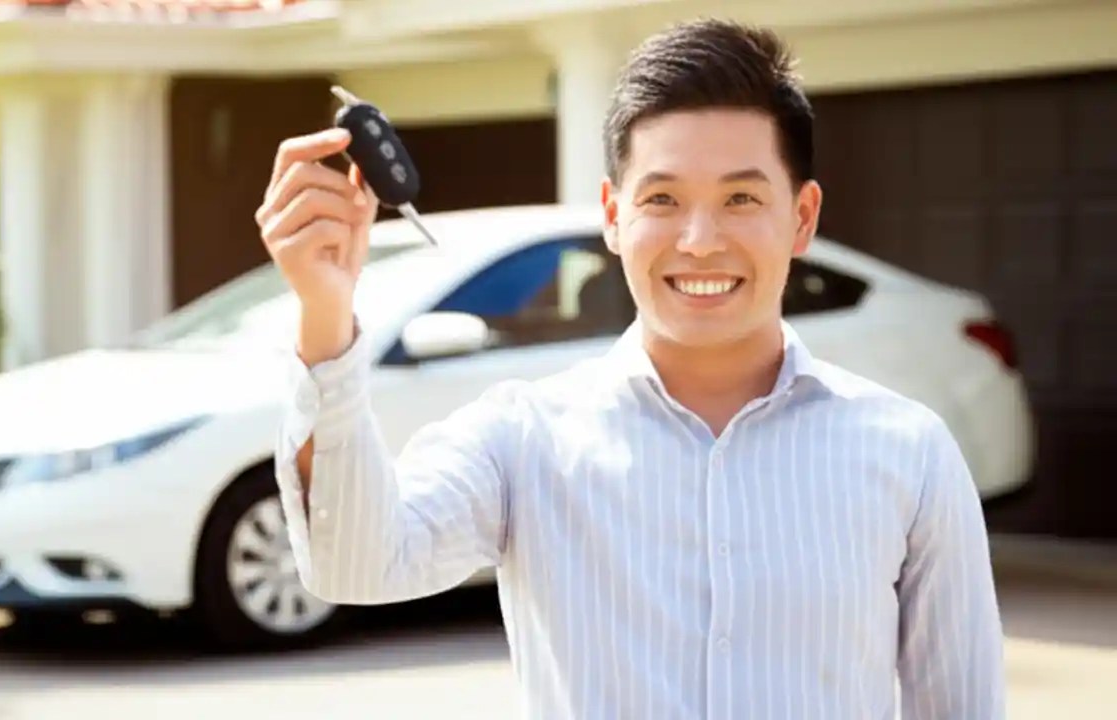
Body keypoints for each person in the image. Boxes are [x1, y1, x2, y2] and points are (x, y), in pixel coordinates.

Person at [254, 17, 1005, 720]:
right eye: (664, 199)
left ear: (802, 217)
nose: (700, 240)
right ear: (614, 216)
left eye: (741, 197)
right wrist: (325, 311)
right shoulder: (521, 440)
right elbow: (354, 567)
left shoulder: (910, 452)